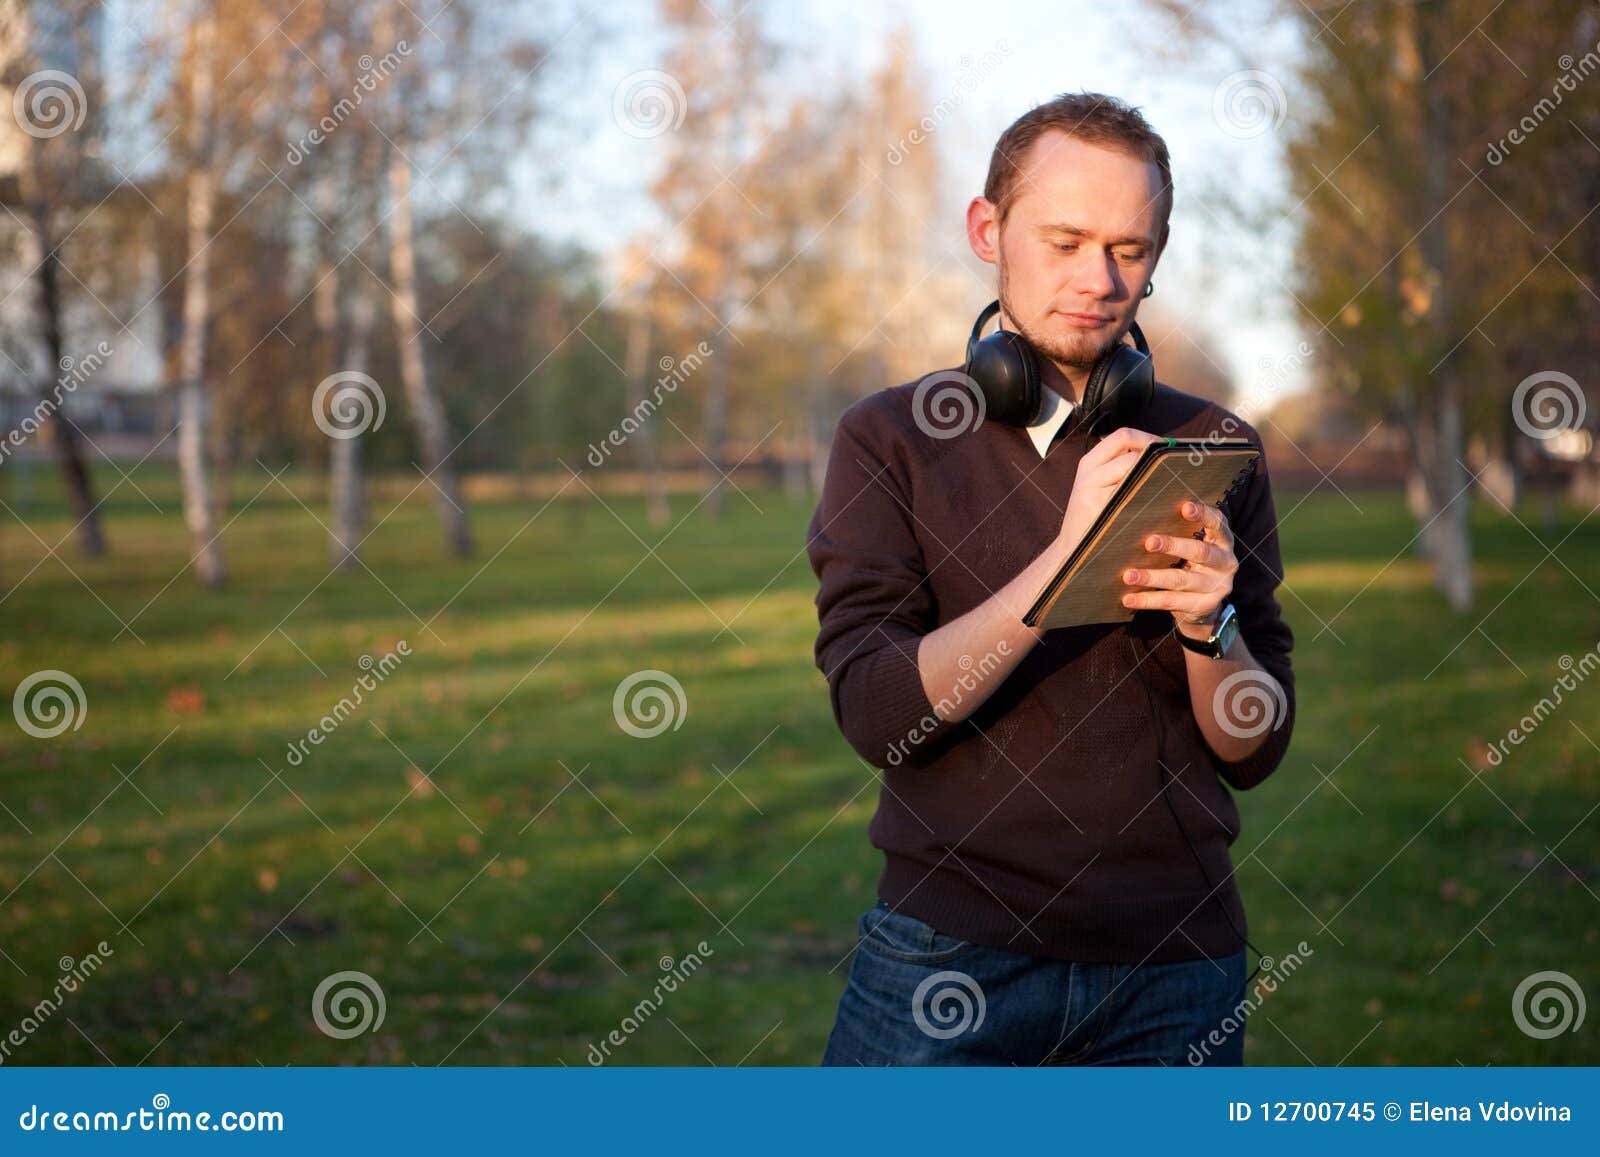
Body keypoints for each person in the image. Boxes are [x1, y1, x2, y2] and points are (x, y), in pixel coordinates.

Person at [806, 92, 1295, 1066]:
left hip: (1177, 970)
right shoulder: (889, 439)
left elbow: (1253, 746)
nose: (1098, 279)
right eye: (1065, 240)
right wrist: (1063, 564)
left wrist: (1213, 628)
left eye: (1129, 248)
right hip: (946, 962)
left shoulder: (1211, 444)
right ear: (987, 230)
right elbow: (873, 713)